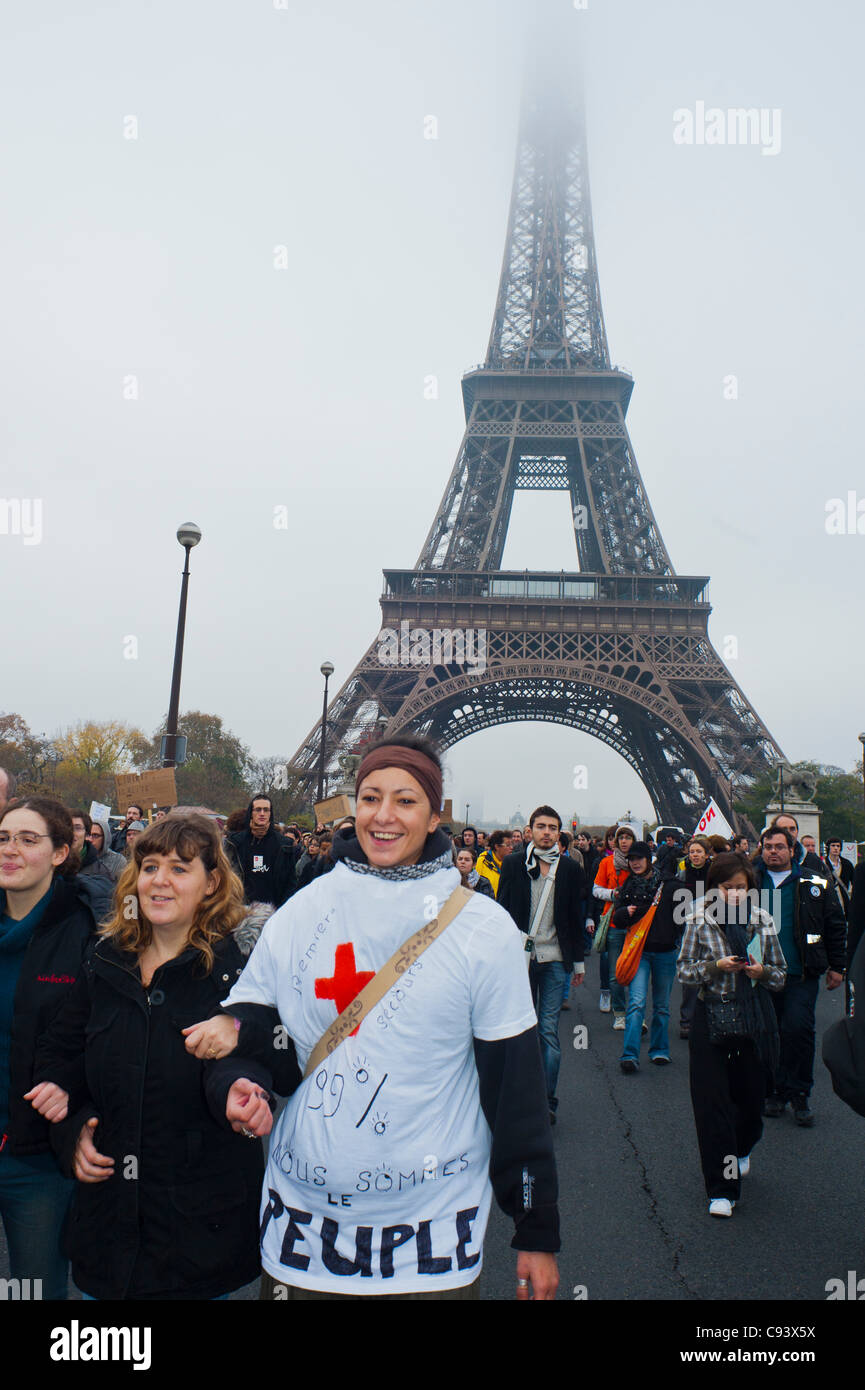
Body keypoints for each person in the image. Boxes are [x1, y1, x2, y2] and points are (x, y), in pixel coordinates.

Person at [203, 735, 560, 1299]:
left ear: (435, 814)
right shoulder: (305, 910)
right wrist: (235, 1081)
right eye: (370, 798)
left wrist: (536, 1228)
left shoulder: (483, 929)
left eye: (405, 800)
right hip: (305, 1224)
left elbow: (514, 1087)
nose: (384, 816)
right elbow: (252, 1033)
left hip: (430, 1234)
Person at [26, 813, 287, 1300]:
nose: (159, 881)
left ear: (211, 883)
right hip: (107, 1234)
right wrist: (70, 1129)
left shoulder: (240, 970)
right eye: (149, 866)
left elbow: (263, 1055)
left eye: (179, 868)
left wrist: (241, 1091)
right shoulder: (102, 960)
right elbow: (61, 1052)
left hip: (196, 1235)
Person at [0, 796, 99, 1299]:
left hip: (34, 1155)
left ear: (61, 852)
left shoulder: (89, 932)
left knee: (35, 1291)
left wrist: (69, 1082)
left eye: (27, 839)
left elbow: (104, 1036)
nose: (9, 850)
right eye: (2, 837)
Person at [677, 853, 786, 1217]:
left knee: (751, 1100)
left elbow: (780, 975)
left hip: (753, 1017)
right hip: (712, 1013)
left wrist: (759, 973)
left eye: (740, 888)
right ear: (713, 888)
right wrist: (714, 966)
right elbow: (684, 973)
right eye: (727, 888)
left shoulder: (763, 920)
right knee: (712, 1105)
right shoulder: (697, 918)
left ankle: (743, 1147)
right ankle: (721, 1190)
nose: (734, 895)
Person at [497, 805, 586, 1124]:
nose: (547, 832)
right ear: (530, 831)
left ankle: (547, 1100)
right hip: (519, 959)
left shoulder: (571, 869)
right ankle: (520, 1095)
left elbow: (576, 917)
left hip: (555, 959)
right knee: (520, 1030)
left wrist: (578, 962)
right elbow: (502, 912)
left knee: (548, 1030)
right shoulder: (512, 864)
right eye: (541, 826)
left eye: (553, 827)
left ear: (559, 832)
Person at [754, 826, 846, 1125]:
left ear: (792, 851)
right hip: (761, 972)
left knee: (798, 1030)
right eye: (768, 846)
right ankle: (775, 1091)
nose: (773, 851)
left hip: (801, 972)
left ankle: (799, 1093)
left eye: (779, 846)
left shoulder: (813, 881)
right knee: (769, 1033)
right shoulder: (749, 880)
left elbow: (834, 923)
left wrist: (837, 966)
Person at [613, 841, 680, 1071]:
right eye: (631, 859)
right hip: (639, 952)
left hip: (665, 950)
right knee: (636, 1003)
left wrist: (672, 934)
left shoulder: (670, 885)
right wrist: (624, 912)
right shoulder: (628, 885)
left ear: (648, 859)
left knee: (661, 1006)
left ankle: (659, 1050)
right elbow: (617, 918)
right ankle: (629, 1054)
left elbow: (683, 914)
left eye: (639, 858)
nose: (635, 862)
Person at [594, 825, 637, 1027]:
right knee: (614, 973)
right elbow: (596, 890)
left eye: (628, 837)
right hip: (613, 922)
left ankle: (635, 1012)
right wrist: (613, 894)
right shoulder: (606, 863)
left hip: (636, 924)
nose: (624, 841)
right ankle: (620, 1012)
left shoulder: (640, 864)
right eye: (621, 838)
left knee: (637, 972)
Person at [225, 795, 295, 908]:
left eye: (266, 810)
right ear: (251, 813)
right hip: (241, 910)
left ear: (270, 813)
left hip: (274, 910)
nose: (262, 813)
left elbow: (291, 882)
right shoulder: (235, 842)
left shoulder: (285, 845)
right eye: (258, 809)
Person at [677, 836, 714, 1040]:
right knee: (690, 974)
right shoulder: (682, 874)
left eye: (699, 851)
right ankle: (687, 1019)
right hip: (689, 926)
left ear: (707, 854)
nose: (695, 855)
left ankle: (707, 1017)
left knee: (711, 971)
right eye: (692, 852)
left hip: (710, 926)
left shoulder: (715, 874)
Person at [83, 816, 127, 886]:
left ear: (105, 838)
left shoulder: (118, 861)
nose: (90, 839)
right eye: (88, 835)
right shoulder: (78, 859)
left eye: (95, 835)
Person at [824, 838, 855, 920]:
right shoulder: (823, 864)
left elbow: (855, 882)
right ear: (828, 848)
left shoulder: (847, 864)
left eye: (838, 846)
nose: (836, 848)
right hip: (827, 901)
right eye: (833, 846)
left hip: (844, 902)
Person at [476, 830, 508, 897]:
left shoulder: (511, 864)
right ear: (497, 846)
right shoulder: (482, 861)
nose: (511, 847)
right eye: (507, 845)